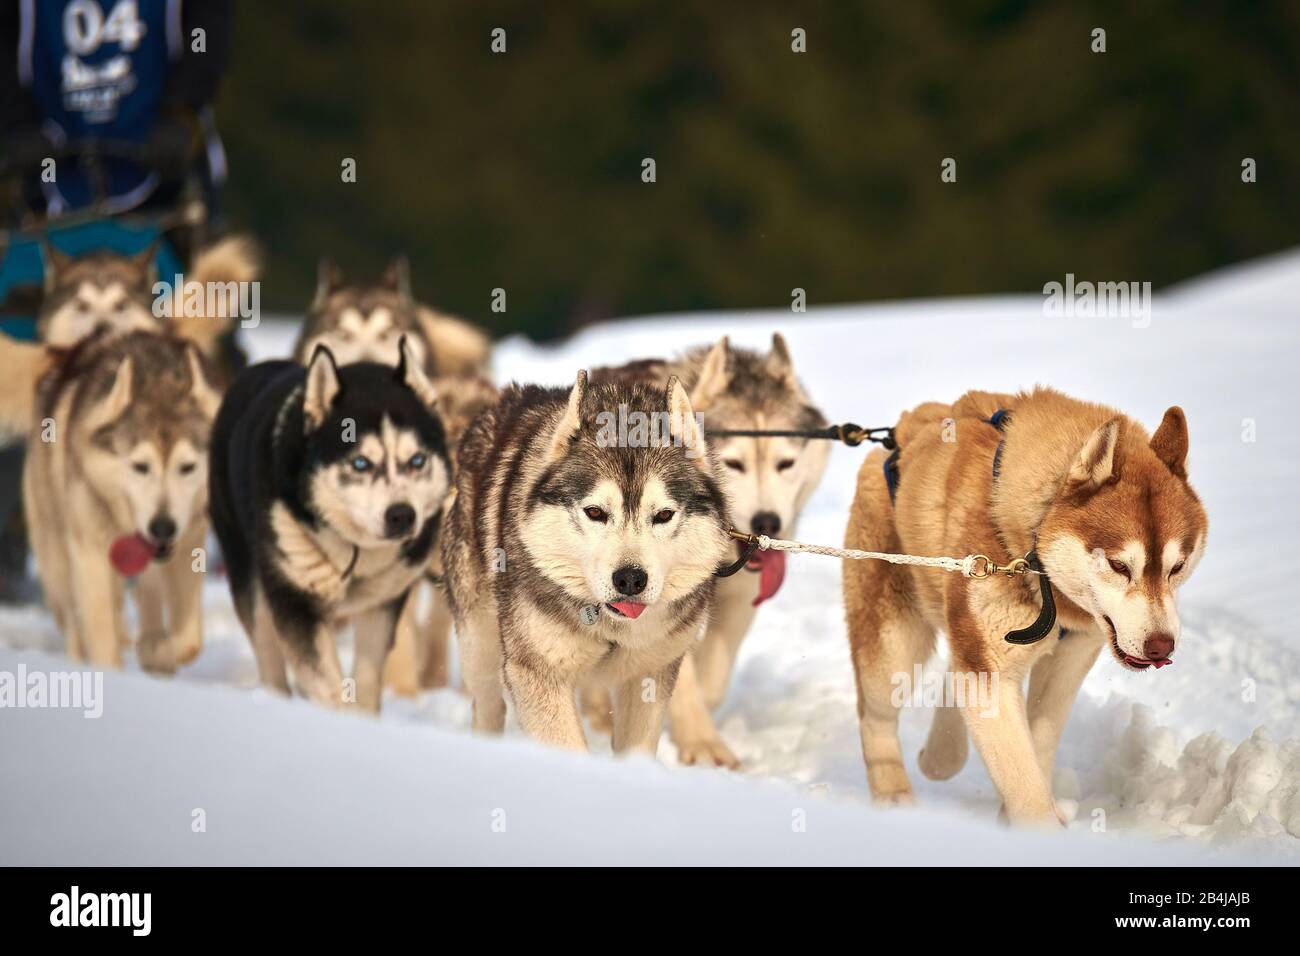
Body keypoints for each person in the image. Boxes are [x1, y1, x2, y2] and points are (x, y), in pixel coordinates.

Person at [0, 0, 234, 603]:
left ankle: (231, 527)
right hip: (48, 191)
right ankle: (12, 539)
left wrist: (182, 111)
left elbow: (208, 34)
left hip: (162, 184)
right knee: (20, 354)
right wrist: (14, 122)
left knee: (205, 346)